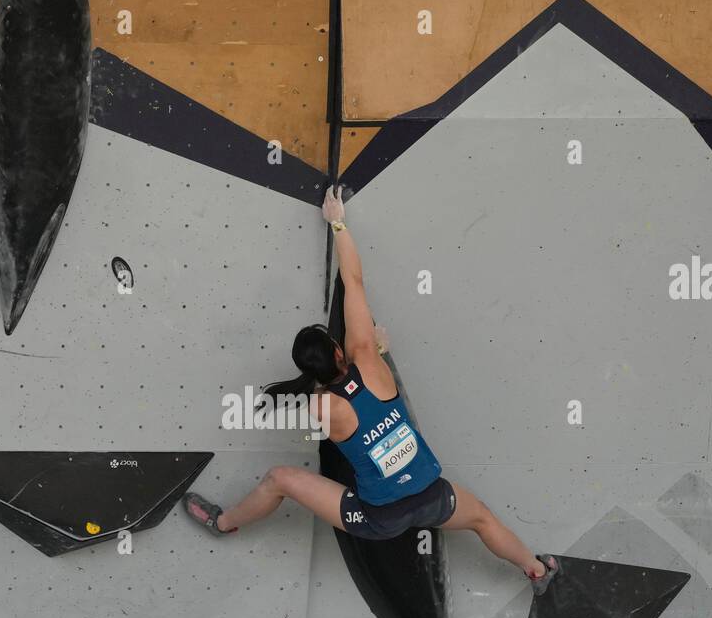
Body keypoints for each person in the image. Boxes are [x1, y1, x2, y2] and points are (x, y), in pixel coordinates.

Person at [184, 186, 556, 589]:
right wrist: (338, 223)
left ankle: (223, 523)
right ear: (340, 351)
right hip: (430, 494)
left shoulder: (320, 407)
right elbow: (354, 282)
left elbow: (333, 412)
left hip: (380, 519)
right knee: (482, 517)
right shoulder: (372, 363)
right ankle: (536, 568)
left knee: (280, 478)